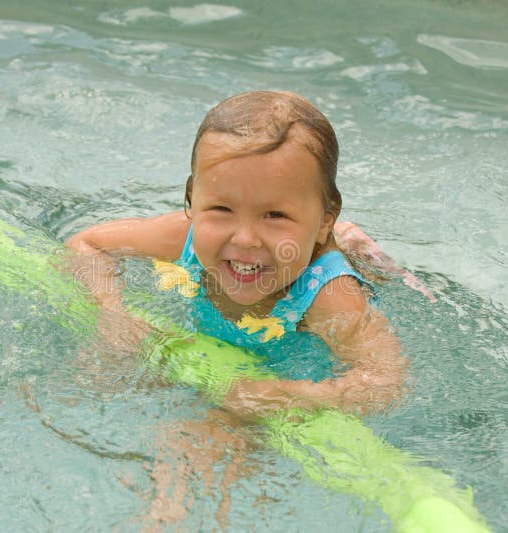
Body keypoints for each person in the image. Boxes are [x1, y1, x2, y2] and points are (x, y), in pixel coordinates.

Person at [65, 90, 410, 525]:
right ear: (192, 201)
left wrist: (290, 395)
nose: (244, 239)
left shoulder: (328, 294)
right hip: (225, 346)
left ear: (324, 220)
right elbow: (87, 244)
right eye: (222, 209)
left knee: (205, 438)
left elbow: (385, 380)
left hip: (282, 362)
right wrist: (110, 310)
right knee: (92, 373)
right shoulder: (184, 236)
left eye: (274, 215)